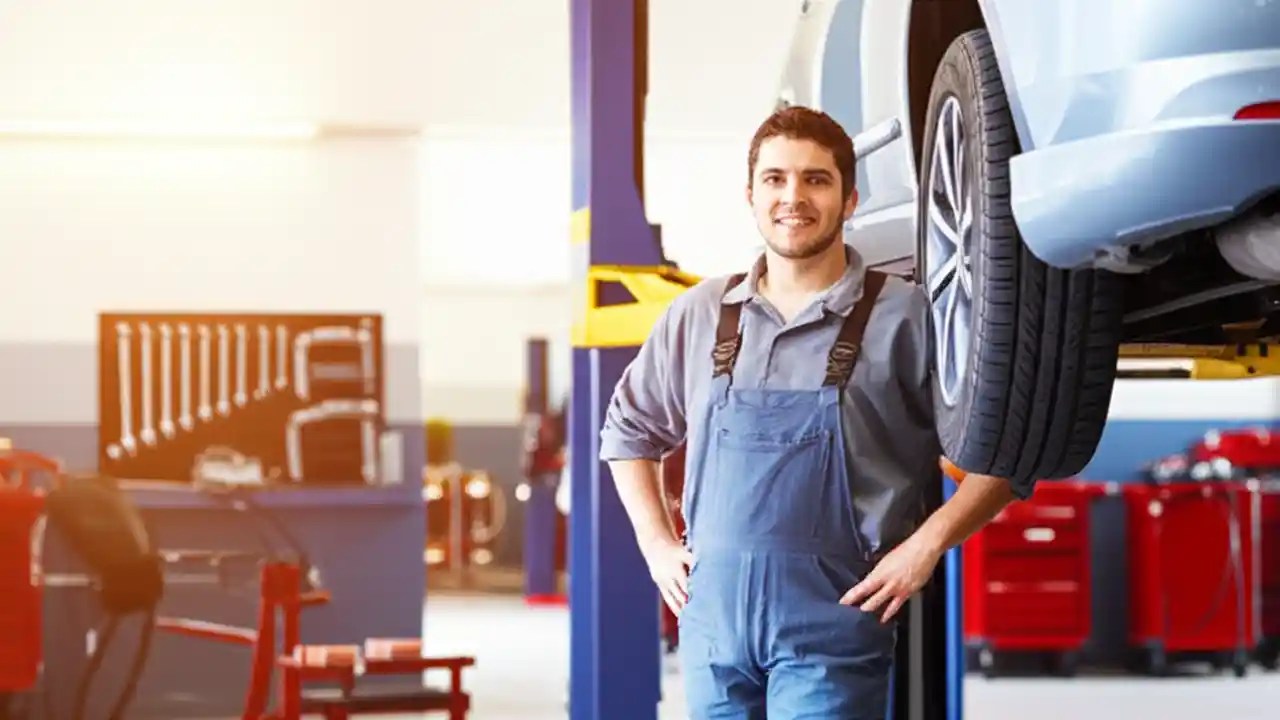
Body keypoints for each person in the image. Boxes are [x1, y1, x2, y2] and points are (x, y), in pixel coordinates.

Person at [597, 106, 1033, 718]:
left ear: (850, 199)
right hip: (713, 630)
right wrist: (655, 543)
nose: (793, 197)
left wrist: (929, 545)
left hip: (835, 626)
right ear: (750, 196)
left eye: (815, 179)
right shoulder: (699, 315)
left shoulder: (910, 317)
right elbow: (627, 433)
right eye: (775, 179)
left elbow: (1011, 449)